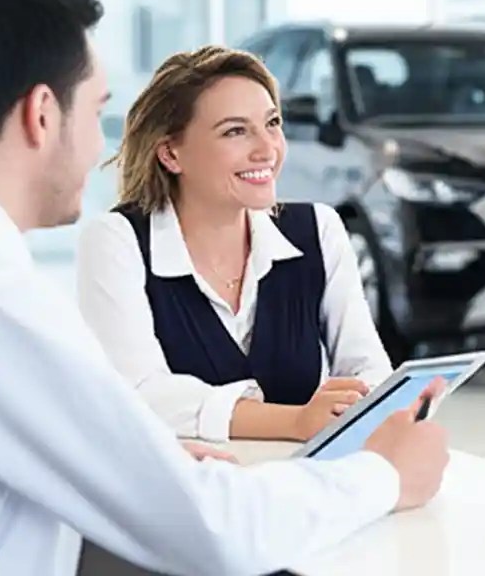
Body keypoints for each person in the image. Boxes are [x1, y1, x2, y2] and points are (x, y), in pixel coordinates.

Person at [0, 0, 449, 576]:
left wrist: (148, 459)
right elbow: (215, 532)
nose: (101, 146)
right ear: (42, 115)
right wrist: (382, 475)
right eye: (97, 114)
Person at [76, 46, 392, 444]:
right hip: (182, 496)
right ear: (171, 153)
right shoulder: (117, 241)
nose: (267, 149)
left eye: (272, 123)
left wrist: (383, 399)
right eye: (235, 131)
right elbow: (138, 393)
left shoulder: (318, 231)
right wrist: (295, 422)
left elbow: (369, 371)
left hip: (302, 488)